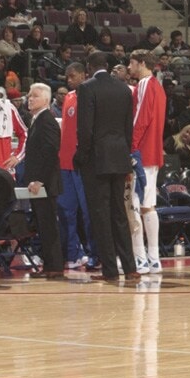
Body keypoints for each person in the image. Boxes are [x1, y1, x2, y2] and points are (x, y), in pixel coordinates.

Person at [74, 51, 139, 283]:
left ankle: (110, 269)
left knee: (100, 215)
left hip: (97, 159)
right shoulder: (124, 89)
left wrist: (81, 156)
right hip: (119, 156)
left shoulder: (87, 88)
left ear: (89, 67)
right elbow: (128, 128)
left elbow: (85, 129)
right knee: (119, 213)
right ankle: (131, 268)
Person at [127, 49, 165, 274]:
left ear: (141, 63)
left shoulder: (144, 85)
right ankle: (154, 258)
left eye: (131, 63)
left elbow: (140, 120)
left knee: (134, 206)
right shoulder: (158, 87)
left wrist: (130, 149)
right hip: (153, 153)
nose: (129, 68)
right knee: (148, 207)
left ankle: (140, 258)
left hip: (140, 153)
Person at [23, 82, 64, 278]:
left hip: (45, 183)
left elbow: (50, 152)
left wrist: (39, 180)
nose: (30, 99)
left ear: (46, 100)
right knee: (43, 225)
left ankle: (54, 266)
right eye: (29, 95)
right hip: (39, 183)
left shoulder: (47, 120)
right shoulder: (37, 120)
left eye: (35, 96)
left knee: (48, 226)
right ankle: (50, 265)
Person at [58, 61, 96, 270]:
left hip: (84, 163)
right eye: (67, 77)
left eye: (72, 76)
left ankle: (94, 253)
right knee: (66, 210)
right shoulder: (69, 98)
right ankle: (73, 253)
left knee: (88, 212)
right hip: (65, 162)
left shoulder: (92, 96)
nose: (68, 80)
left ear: (84, 74)